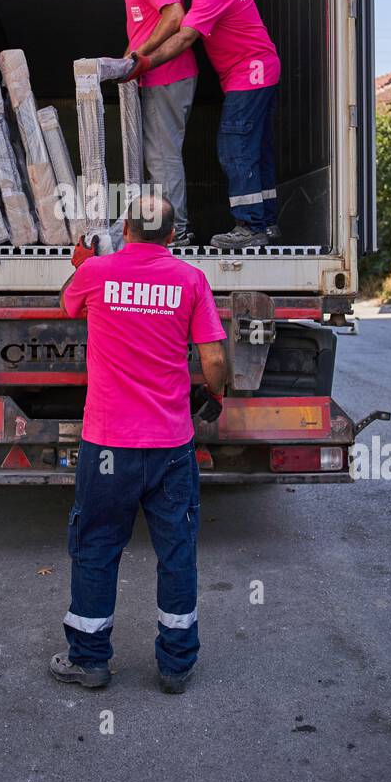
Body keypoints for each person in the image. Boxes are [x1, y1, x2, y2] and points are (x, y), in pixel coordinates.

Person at [51, 193, 227, 694]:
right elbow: (213, 358)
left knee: (98, 547)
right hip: (171, 445)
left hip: (107, 444)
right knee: (176, 551)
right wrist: (215, 393)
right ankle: (175, 666)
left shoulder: (98, 273)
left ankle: (89, 660)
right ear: (172, 236)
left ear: (125, 229)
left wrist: (84, 262)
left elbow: (67, 302)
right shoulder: (190, 279)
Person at [115, 0, 281, 250]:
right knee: (257, 150)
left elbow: (185, 35)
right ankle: (267, 222)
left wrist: (145, 61)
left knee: (235, 148)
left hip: (250, 73)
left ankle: (251, 227)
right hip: (258, 71)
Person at [91, 0, 198, 245]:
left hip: (168, 76)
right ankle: (166, 226)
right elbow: (143, 34)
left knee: (162, 157)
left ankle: (176, 229)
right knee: (157, 156)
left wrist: (140, 55)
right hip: (158, 78)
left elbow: (176, 16)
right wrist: (125, 63)